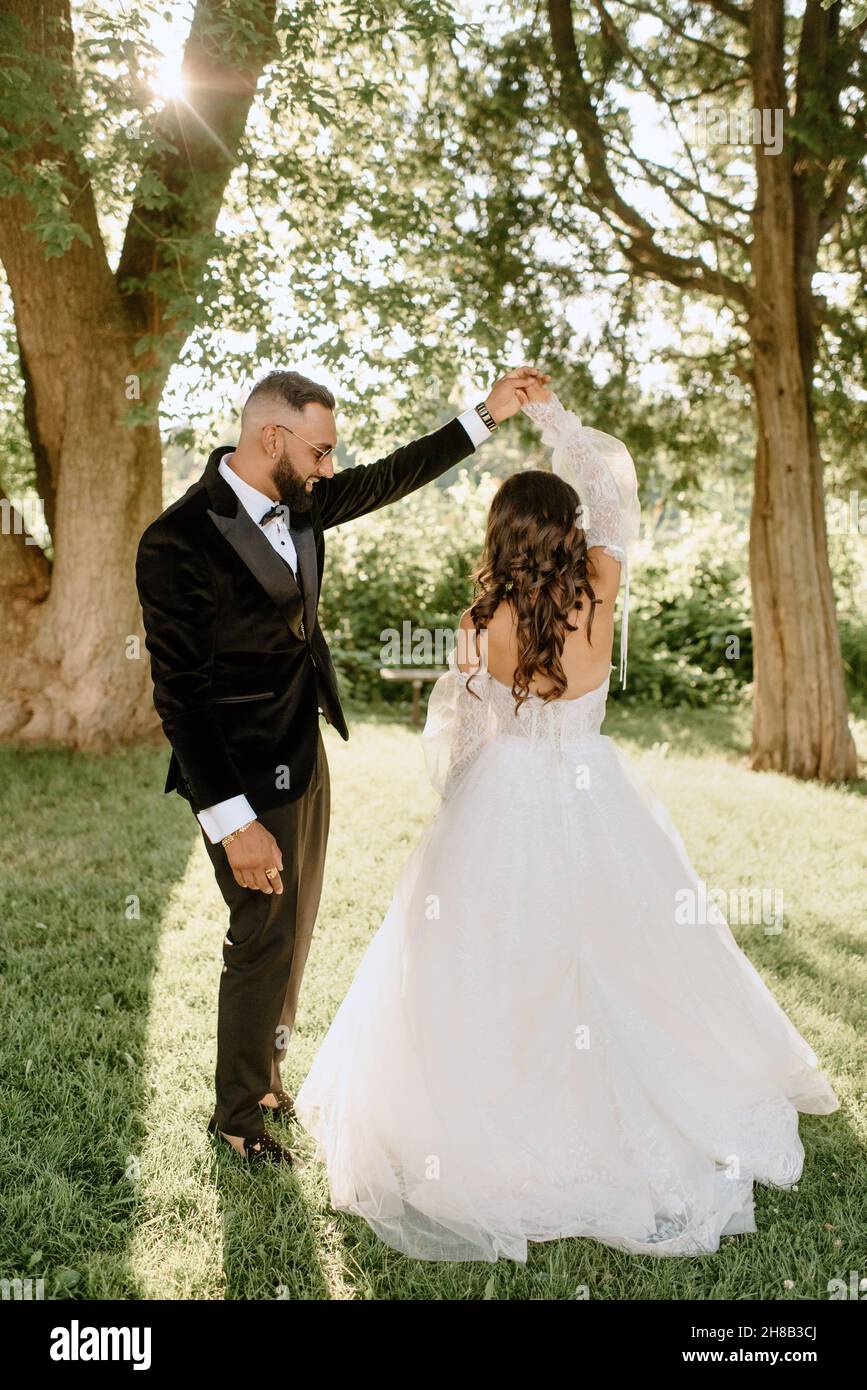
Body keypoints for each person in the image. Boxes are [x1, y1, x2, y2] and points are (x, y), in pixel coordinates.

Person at [294, 381, 840, 1260]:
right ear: (571, 530)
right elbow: (610, 484)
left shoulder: (484, 621)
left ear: (500, 538)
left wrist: (463, 818)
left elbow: (463, 742)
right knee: (631, 950)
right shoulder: (600, 582)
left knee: (492, 959)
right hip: (593, 792)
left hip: (506, 798)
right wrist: (550, 419)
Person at [135, 364, 550, 1164]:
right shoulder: (176, 542)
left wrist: (486, 415)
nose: (330, 468)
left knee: (294, 926)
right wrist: (234, 824)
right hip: (240, 773)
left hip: (302, 749)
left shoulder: (301, 500)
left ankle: (263, 1079)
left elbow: (394, 475)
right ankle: (236, 1120)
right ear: (271, 438)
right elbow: (180, 697)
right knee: (261, 932)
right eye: (320, 452)